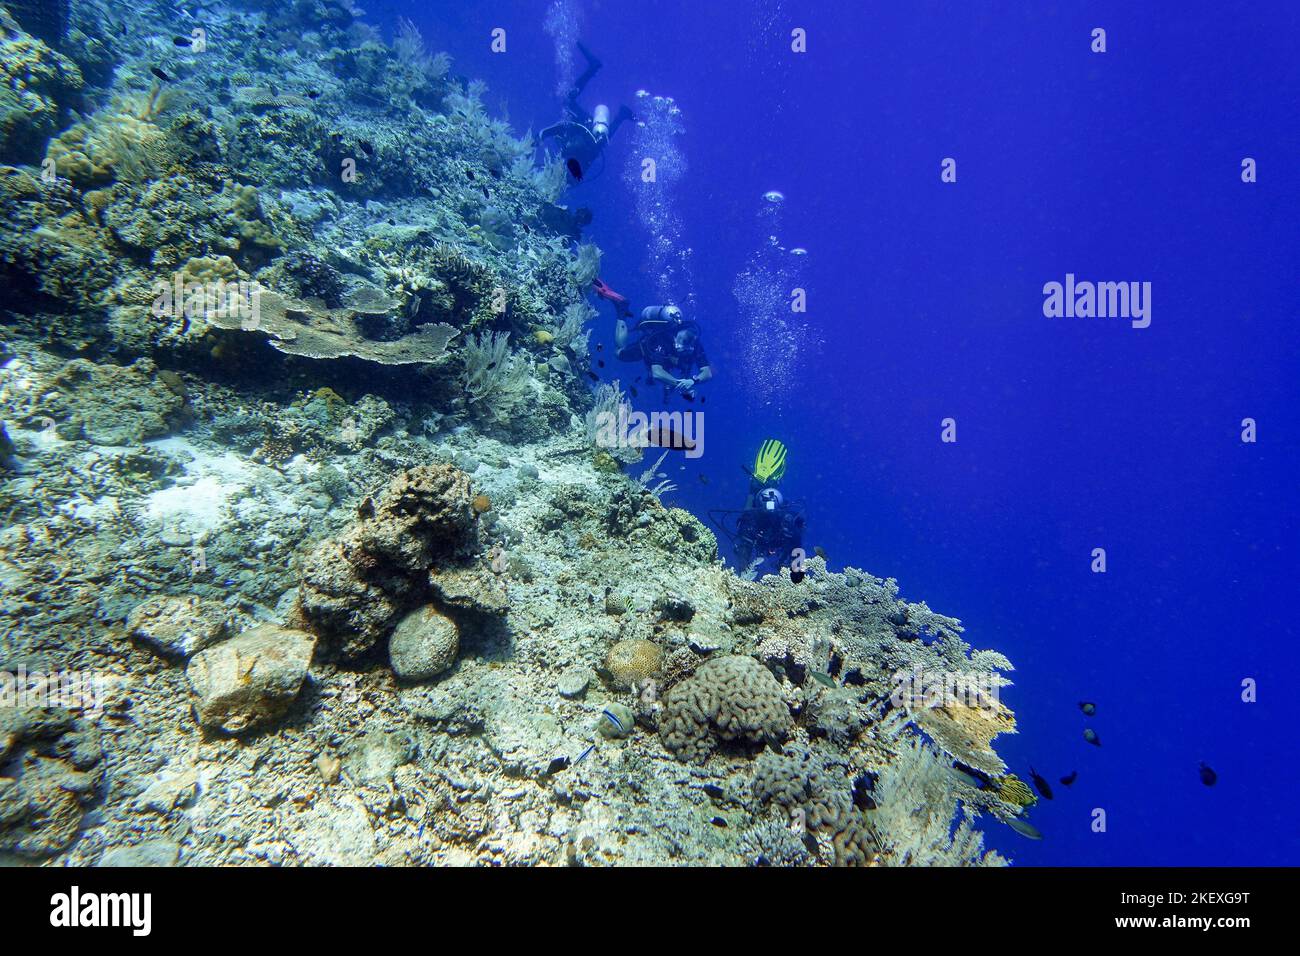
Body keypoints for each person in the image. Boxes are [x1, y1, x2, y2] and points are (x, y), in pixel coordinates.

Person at [592, 277, 713, 399]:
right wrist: (680, 383)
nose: (684, 351)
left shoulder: (695, 344)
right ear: (676, 340)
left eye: (687, 350)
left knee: (668, 369)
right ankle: (621, 310)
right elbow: (657, 372)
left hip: (667, 361)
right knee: (618, 352)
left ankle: (622, 308)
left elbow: (707, 372)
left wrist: (693, 381)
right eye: (682, 347)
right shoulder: (662, 342)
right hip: (646, 347)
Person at [540, 43, 634, 182]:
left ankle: (621, 114)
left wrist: (540, 136)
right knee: (568, 101)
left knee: (568, 103)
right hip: (588, 134)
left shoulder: (573, 142)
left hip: (587, 133)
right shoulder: (580, 155)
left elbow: (552, 131)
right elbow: (550, 131)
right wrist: (541, 136)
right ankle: (594, 69)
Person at [734, 487, 805, 577]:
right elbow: (745, 546)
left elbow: (796, 545)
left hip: (775, 542)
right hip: (764, 540)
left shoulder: (786, 522)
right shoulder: (751, 518)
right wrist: (743, 572)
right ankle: (753, 489)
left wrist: (795, 571)